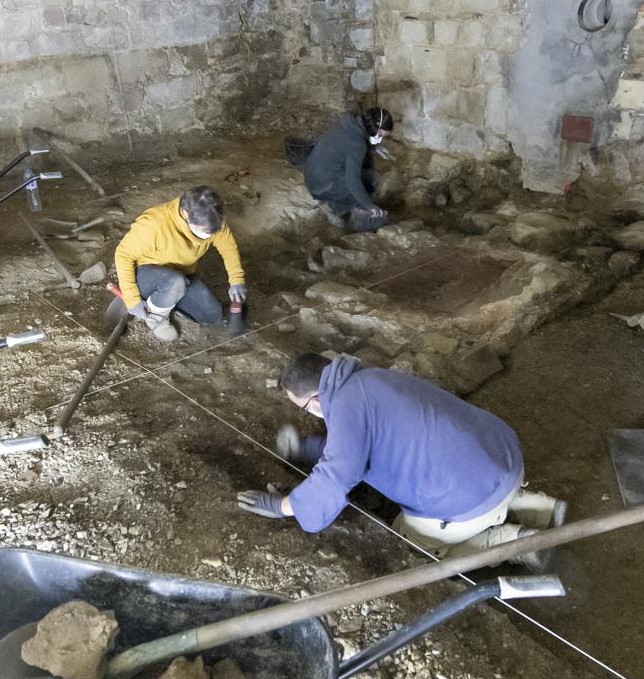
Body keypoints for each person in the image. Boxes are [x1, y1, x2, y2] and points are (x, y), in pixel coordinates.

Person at [236, 352, 564, 557]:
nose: (309, 414)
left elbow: (333, 482)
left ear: (316, 398)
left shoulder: (347, 408)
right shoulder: (370, 378)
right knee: (473, 479)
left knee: (409, 539)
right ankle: (538, 506)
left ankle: (513, 542)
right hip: (505, 457)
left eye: (305, 407)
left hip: (470, 497)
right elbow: (365, 443)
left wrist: (281, 506)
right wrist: (306, 450)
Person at [114, 185, 246, 343]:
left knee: (212, 315)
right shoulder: (154, 224)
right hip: (145, 274)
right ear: (185, 214)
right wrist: (132, 300)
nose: (208, 236)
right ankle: (156, 318)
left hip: (181, 275)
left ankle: (165, 300)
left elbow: (228, 246)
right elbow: (123, 255)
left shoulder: (213, 219)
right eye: (204, 231)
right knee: (174, 281)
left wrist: (236, 280)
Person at [300, 106, 393, 231]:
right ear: (376, 128)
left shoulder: (350, 122)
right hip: (319, 184)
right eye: (381, 135)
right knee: (363, 183)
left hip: (314, 171)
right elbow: (352, 180)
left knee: (368, 178)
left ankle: (351, 203)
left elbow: (349, 144)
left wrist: (375, 147)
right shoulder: (357, 145)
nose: (381, 138)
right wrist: (370, 206)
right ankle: (332, 207)